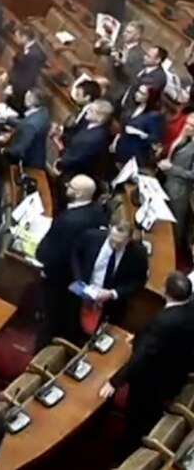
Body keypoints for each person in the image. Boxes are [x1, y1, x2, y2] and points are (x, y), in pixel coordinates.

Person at [100, 272, 194, 441]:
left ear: (166, 292)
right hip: (176, 374)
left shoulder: (164, 321)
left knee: (137, 418)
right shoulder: (190, 309)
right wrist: (139, 338)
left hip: (152, 381)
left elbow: (143, 356)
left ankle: (130, 445)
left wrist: (115, 381)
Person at [34, 176, 105, 350]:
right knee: (68, 313)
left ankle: (42, 349)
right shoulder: (97, 211)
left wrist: (43, 262)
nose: (67, 187)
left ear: (79, 193)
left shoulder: (68, 220)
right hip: (78, 275)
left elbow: (54, 251)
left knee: (51, 314)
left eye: (70, 186)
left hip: (59, 276)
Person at [75, 222, 148, 331]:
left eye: (119, 243)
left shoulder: (137, 254)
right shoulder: (91, 237)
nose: (114, 246)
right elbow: (76, 256)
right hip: (84, 294)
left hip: (112, 305)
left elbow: (138, 281)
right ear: (109, 230)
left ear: (128, 239)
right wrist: (80, 280)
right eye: (112, 241)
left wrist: (113, 293)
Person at [55, 99, 114, 185]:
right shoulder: (88, 122)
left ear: (100, 117)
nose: (87, 111)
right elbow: (75, 132)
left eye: (91, 111)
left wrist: (59, 164)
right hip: (69, 154)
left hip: (76, 171)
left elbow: (76, 158)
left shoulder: (95, 138)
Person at [160, 114, 194, 252]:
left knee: (176, 223)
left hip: (180, 190)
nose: (187, 127)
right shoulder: (184, 138)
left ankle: (175, 252)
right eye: (187, 123)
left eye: (192, 126)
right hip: (168, 182)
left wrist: (171, 168)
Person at [113, 85, 162, 167]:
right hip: (122, 147)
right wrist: (115, 141)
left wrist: (139, 133)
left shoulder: (153, 116)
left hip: (136, 152)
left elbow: (154, 138)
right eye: (138, 91)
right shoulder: (132, 107)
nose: (137, 94)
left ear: (149, 97)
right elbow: (123, 126)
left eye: (142, 93)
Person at [4, 88, 50, 170]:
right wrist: (8, 119)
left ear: (29, 102)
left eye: (26, 97)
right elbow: (25, 124)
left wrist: (2, 150)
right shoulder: (43, 112)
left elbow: (18, 151)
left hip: (29, 163)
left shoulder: (30, 125)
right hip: (38, 154)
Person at [3, 25, 46, 109]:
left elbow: (27, 78)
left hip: (21, 91)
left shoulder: (34, 55)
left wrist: (13, 88)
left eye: (17, 36)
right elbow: (18, 65)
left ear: (24, 37)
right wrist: (8, 74)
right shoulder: (27, 47)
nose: (15, 38)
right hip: (16, 83)